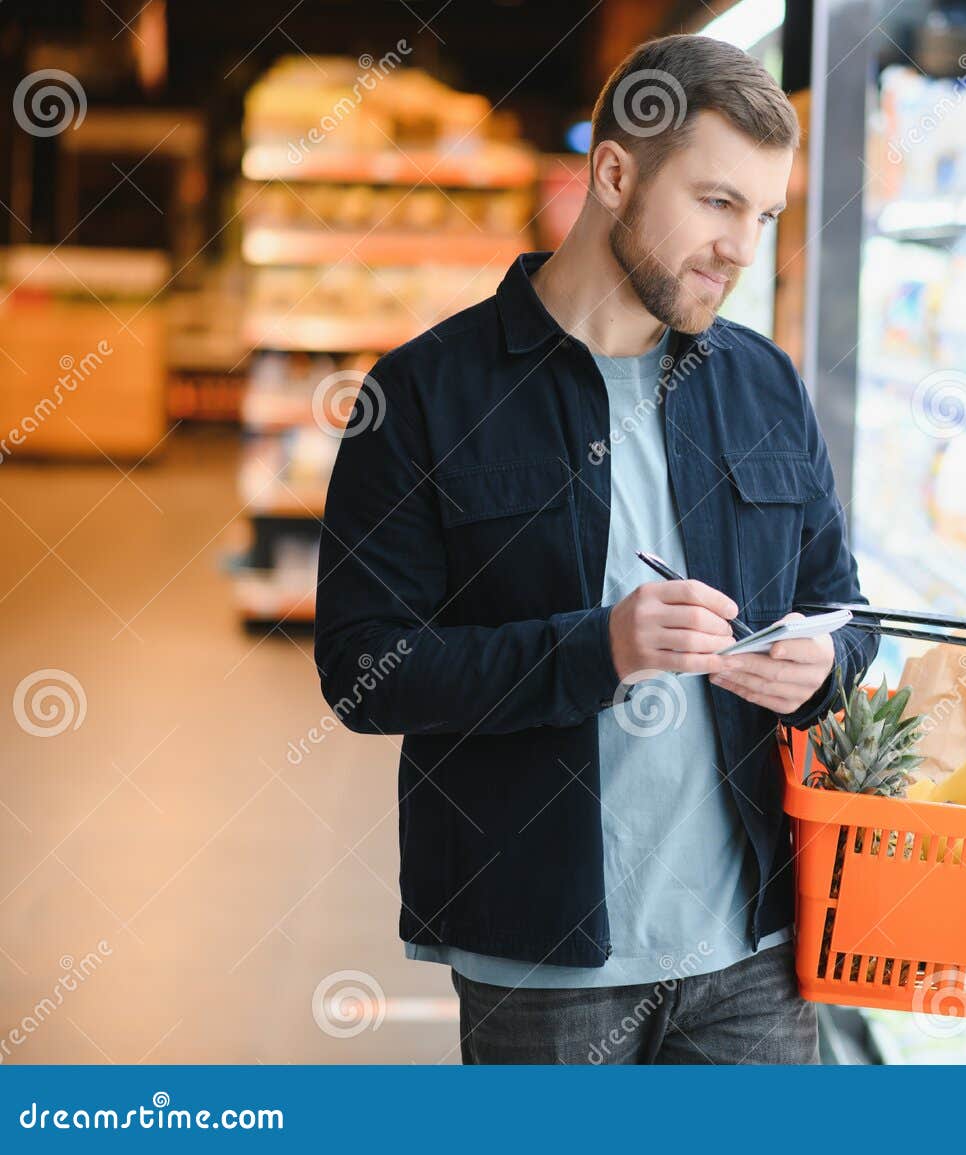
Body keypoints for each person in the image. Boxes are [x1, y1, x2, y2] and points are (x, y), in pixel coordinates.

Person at [313, 33, 877, 1064]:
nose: (743, 248)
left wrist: (822, 664)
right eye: (716, 203)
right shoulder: (425, 395)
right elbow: (363, 673)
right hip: (543, 961)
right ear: (614, 175)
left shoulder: (764, 384)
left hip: (753, 949)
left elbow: (844, 608)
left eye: (765, 214)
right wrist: (597, 650)